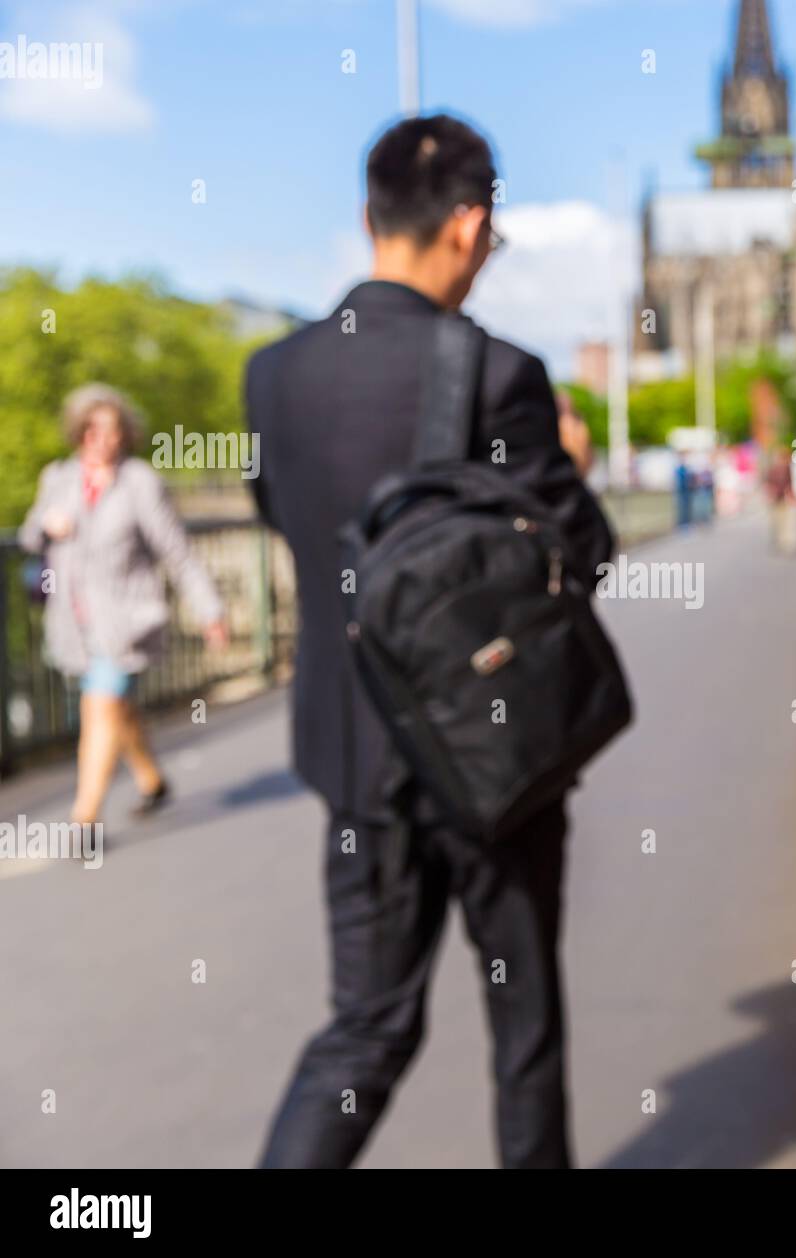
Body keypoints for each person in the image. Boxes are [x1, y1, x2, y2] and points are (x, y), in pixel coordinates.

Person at [245, 114, 614, 1170]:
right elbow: (575, 561)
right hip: (492, 755)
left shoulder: (273, 378)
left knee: (366, 1027)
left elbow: (297, 529)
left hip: (356, 758)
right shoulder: (500, 375)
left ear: (370, 217)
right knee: (523, 1029)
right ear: (468, 223)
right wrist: (572, 468)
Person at [18, 384, 227, 825]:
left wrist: (210, 610)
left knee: (100, 703)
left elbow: (178, 552)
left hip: (127, 619)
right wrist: (47, 524)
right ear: (79, 431)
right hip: (73, 621)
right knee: (116, 706)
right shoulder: (58, 478)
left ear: (124, 434)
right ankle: (151, 779)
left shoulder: (140, 483)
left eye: (112, 431)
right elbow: (27, 536)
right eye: (93, 430)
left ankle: (84, 818)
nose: (103, 439)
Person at [765, 448, 796, 555]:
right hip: (776, 498)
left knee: (788, 520)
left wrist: (791, 494)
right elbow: (768, 482)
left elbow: (791, 482)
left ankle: (787, 542)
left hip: (785, 497)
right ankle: (780, 540)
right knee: (777, 520)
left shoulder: (787, 468)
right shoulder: (772, 469)